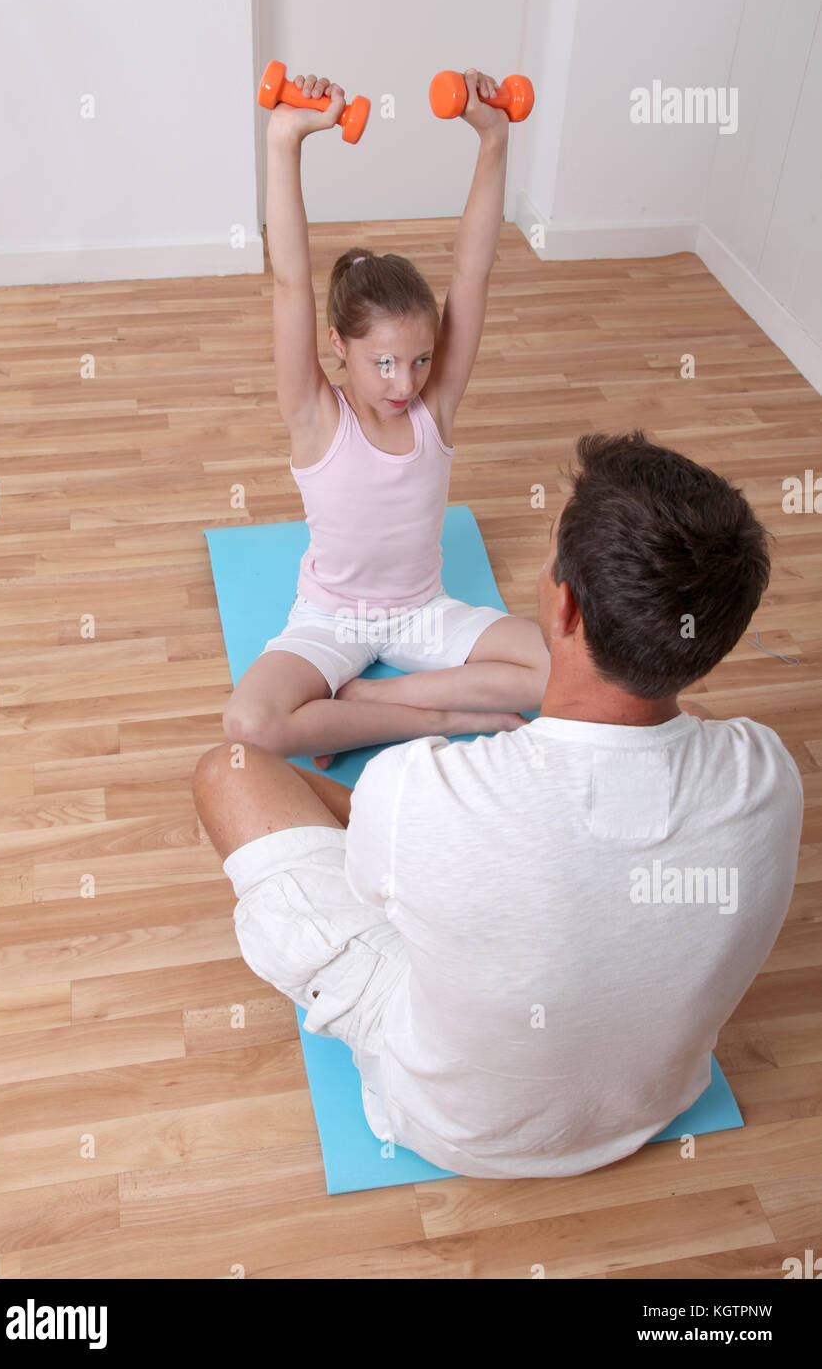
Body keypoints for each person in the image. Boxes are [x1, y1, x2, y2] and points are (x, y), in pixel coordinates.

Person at [193, 430, 804, 1179]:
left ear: (567, 607)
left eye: (551, 559)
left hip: (453, 1127)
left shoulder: (421, 789)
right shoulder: (772, 772)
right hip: (656, 1102)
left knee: (228, 772)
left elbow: (369, 876)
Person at [223, 68, 549, 771]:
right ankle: (438, 715)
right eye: (384, 365)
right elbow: (288, 280)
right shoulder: (315, 417)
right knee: (249, 723)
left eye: (421, 360)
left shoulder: (436, 408)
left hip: (422, 614)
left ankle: (368, 708)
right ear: (338, 346)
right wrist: (286, 141)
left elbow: (473, 275)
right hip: (331, 620)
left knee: (564, 667)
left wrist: (493, 140)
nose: (406, 383)